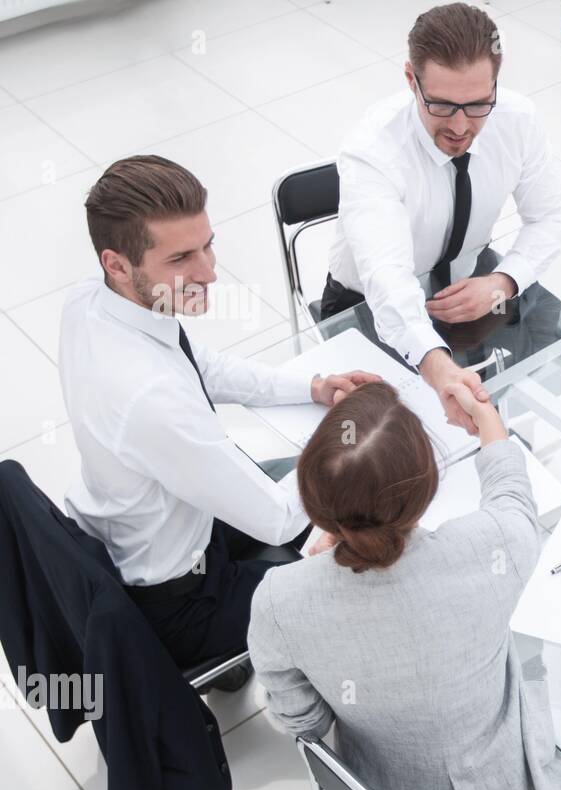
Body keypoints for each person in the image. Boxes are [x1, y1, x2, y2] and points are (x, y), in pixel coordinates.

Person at [247, 381, 561, 790]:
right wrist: (487, 421)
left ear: (314, 496)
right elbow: (513, 498)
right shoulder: (491, 546)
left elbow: (304, 723)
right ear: (427, 484)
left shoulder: (277, 601)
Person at [61, 155, 378, 686]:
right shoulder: (151, 399)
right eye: (181, 257)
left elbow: (199, 364)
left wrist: (312, 388)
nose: (209, 272)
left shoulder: (89, 303)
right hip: (179, 604)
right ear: (117, 264)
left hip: (137, 528)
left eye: (208, 245)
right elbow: (277, 519)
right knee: (357, 570)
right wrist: (345, 444)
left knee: (294, 481)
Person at [321, 1, 561, 433]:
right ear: (411, 80)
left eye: (479, 104)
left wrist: (502, 282)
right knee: (408, 441)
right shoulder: (372, 150)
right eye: (442, 105)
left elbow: (551, 217)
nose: (461, 127)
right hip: (369, 305)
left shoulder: (518, 120)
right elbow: (388, 281)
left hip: (471, 279)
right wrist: (441, 371)